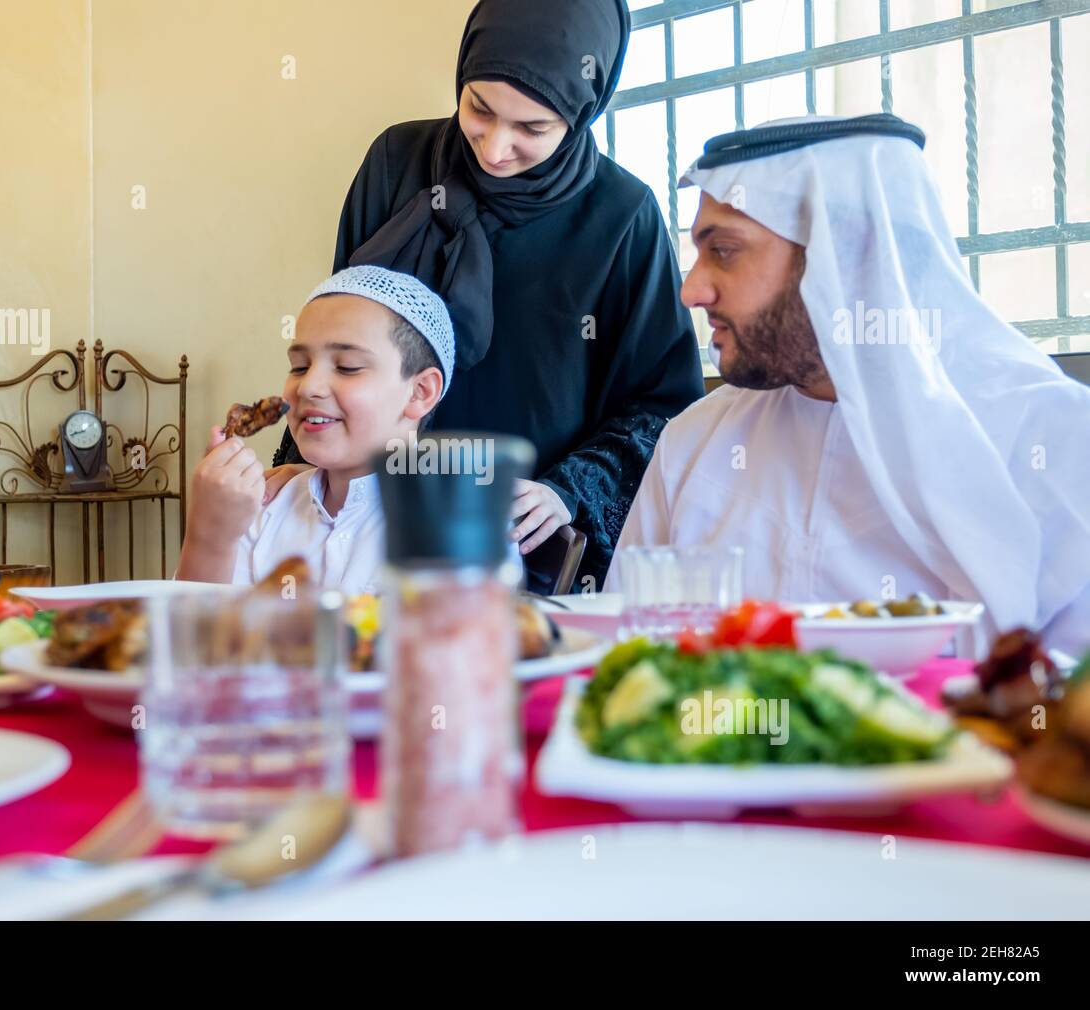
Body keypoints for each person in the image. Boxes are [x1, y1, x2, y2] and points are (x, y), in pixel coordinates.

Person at [606, 114, 1090, 656]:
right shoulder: (693, 441)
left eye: (724, 251)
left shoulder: (1054, 436)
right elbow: (624, 659)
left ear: (845, 254)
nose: (690, 290)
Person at [268, 0, 704, 594]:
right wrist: (307, 455)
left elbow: (661, 407)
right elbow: (340, 334)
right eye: (479, 109)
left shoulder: (622, 217)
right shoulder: (396, 165)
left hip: (520, 548)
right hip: (366, 527)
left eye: (532, 128)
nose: (496, 148)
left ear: (582, 113)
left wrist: (567, 490)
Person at [177, 266, 453, 596]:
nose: (308, 386)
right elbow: (192, 642)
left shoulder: (458, 525)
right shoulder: (264, 507)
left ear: (420, 391)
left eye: (347, 367)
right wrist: (210, 535)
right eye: (299, 367)